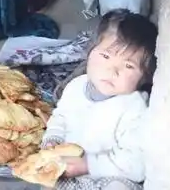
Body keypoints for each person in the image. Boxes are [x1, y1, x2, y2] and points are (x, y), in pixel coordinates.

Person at [41, 10, 157, 190]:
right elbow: (60, 118)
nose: (113, 70)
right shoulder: (76, 86)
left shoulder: (135, 108)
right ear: (89, 52)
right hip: (69, 174)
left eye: (128, 65)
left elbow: (136, 166)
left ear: (145, 77)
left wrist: (88, 165)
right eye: (106, 56)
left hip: (108, 176)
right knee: (46, 179)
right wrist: (52, 140)